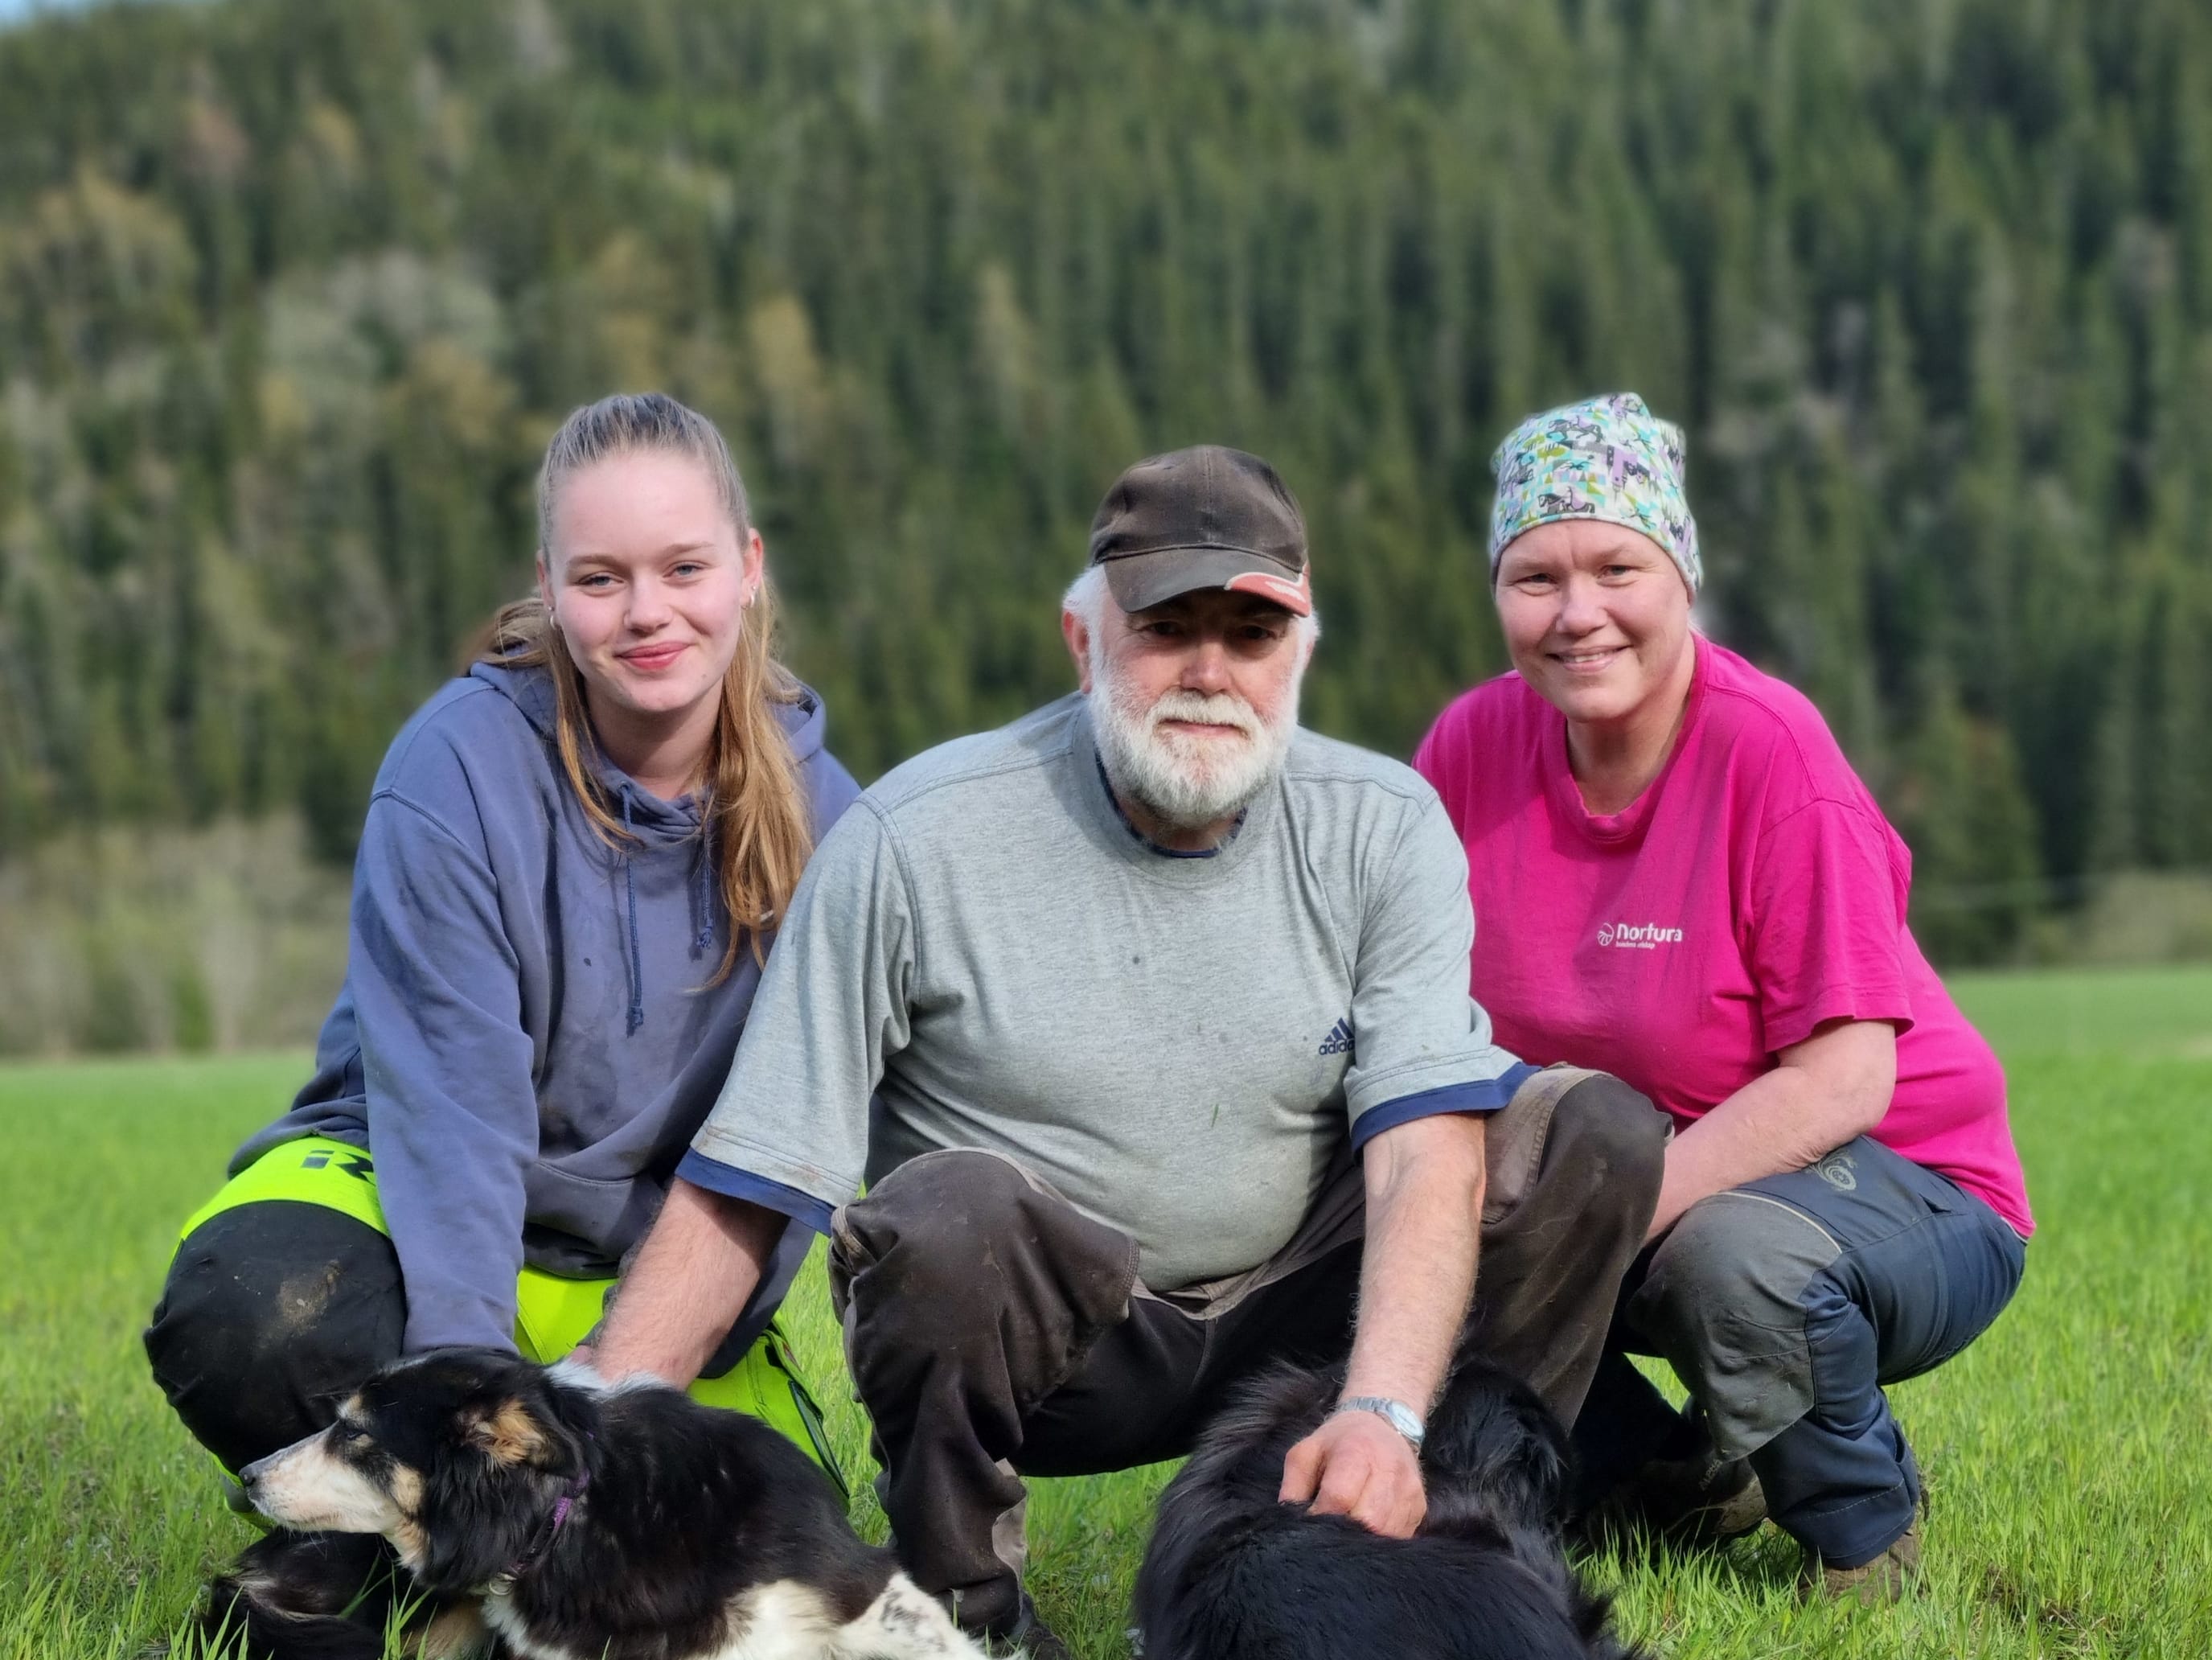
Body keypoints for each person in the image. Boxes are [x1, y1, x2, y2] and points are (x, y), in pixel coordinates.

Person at [589, 445, 1672, 1657]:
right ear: (1083, 637)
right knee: (945, 1217)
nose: (1210, 672)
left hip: (1306, 1311)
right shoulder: (918, 836)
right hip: (1077, 1348)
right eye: (1166, 626)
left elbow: (1424, 1154)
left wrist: (1380, 1406)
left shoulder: (1384, 824)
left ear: (1300, 649)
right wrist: (596, 1415)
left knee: (1590, 1132)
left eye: (1252, 634)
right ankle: (971, 1611)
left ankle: (1452, 1525)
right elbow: (755, 1168)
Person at [145, 392, 860, 1491]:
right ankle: (400, 1570)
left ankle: (402, 1567)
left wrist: (625, 1374)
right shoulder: (455, 773)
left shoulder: (834, 829)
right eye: (599, 578)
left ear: (749, 566)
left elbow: (770, 1170)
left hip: (646, 1272)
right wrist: (476, 1417)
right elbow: (453, 1119)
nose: (647, 613)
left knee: (755, 1552)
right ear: (548, 586)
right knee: (256, 1315)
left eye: (684, 569)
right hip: (408, 1198)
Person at [1413, 392, 2033, 1601]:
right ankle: (1668, 1477)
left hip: (1904, 1189)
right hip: (1644, 1178)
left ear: (1681, 574)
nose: (1578, 612)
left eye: (1617, 567)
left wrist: (1595, 1222)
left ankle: (1863, 1538)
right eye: (1535, 576)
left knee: (1725, 1257)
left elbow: (1851, 1075)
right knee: (1416, 1218)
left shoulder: (1774, 755)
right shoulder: (1467, 750)